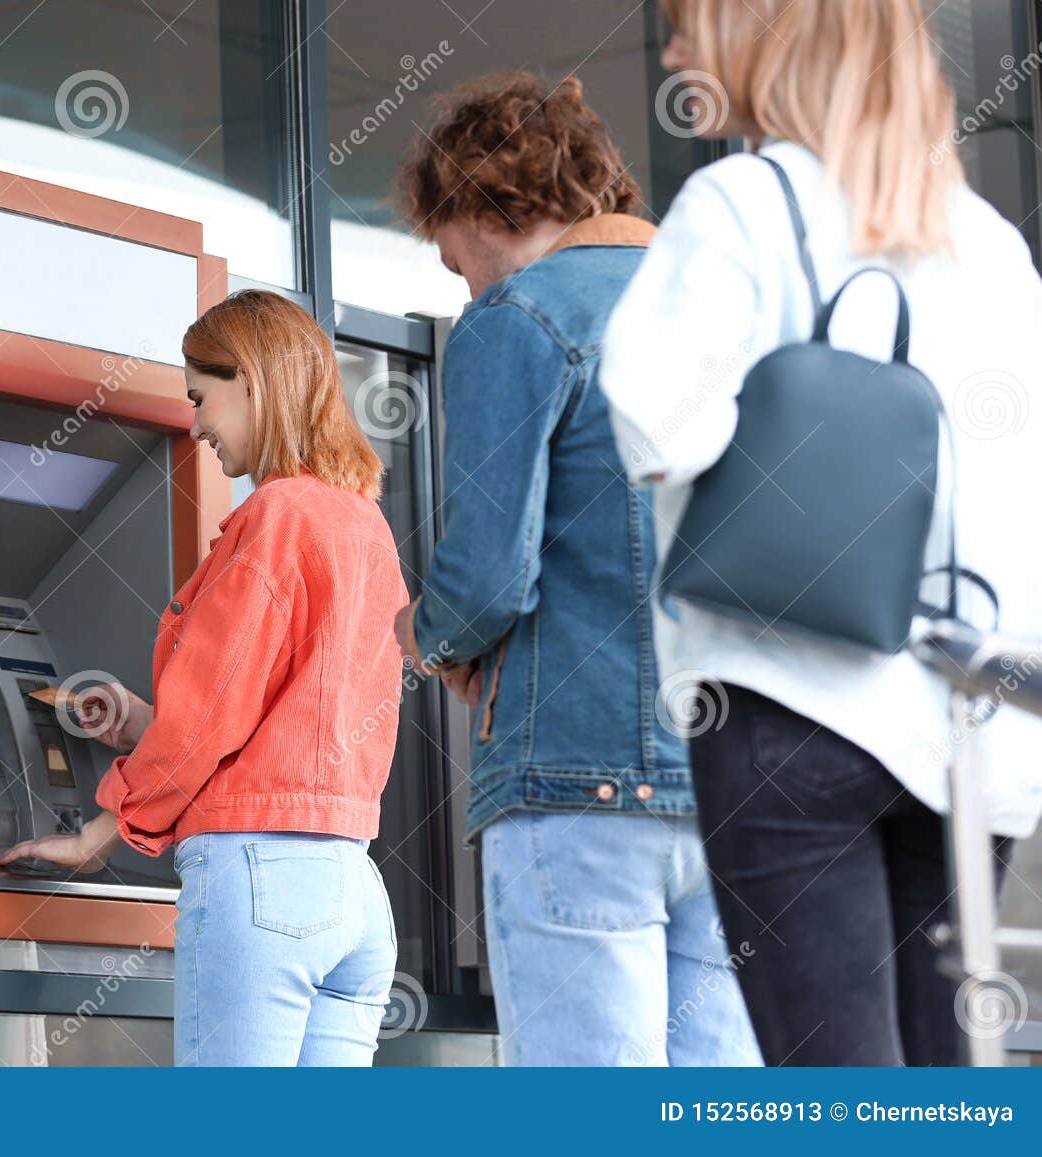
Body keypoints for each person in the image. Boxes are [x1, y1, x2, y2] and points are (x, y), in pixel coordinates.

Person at [600, 0, 1042, 1065]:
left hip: (785, 697)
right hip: (973, 723)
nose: (669, 55)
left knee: (835, 1089)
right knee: (949, 1089)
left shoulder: (743, 201)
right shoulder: (991, 248)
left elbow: (661, 425)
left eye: (684, 26)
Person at [390, 72, 759, 1066]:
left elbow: (486, 576)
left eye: (448, 249)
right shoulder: (730, 310)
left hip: (576, 779)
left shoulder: (518, 315)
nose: (456, 277)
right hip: (732, 785)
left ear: (480, 206)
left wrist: (424, 638)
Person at [0, 290, 411, 1067]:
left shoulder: (276, 515)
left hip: (262, 887)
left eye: (200, 397)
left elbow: (210, 717)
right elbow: (285, 716)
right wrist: (138, 723)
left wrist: (100, 828)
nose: (194, 425)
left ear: (251, 380)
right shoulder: (363, 524)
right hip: (352, 889)